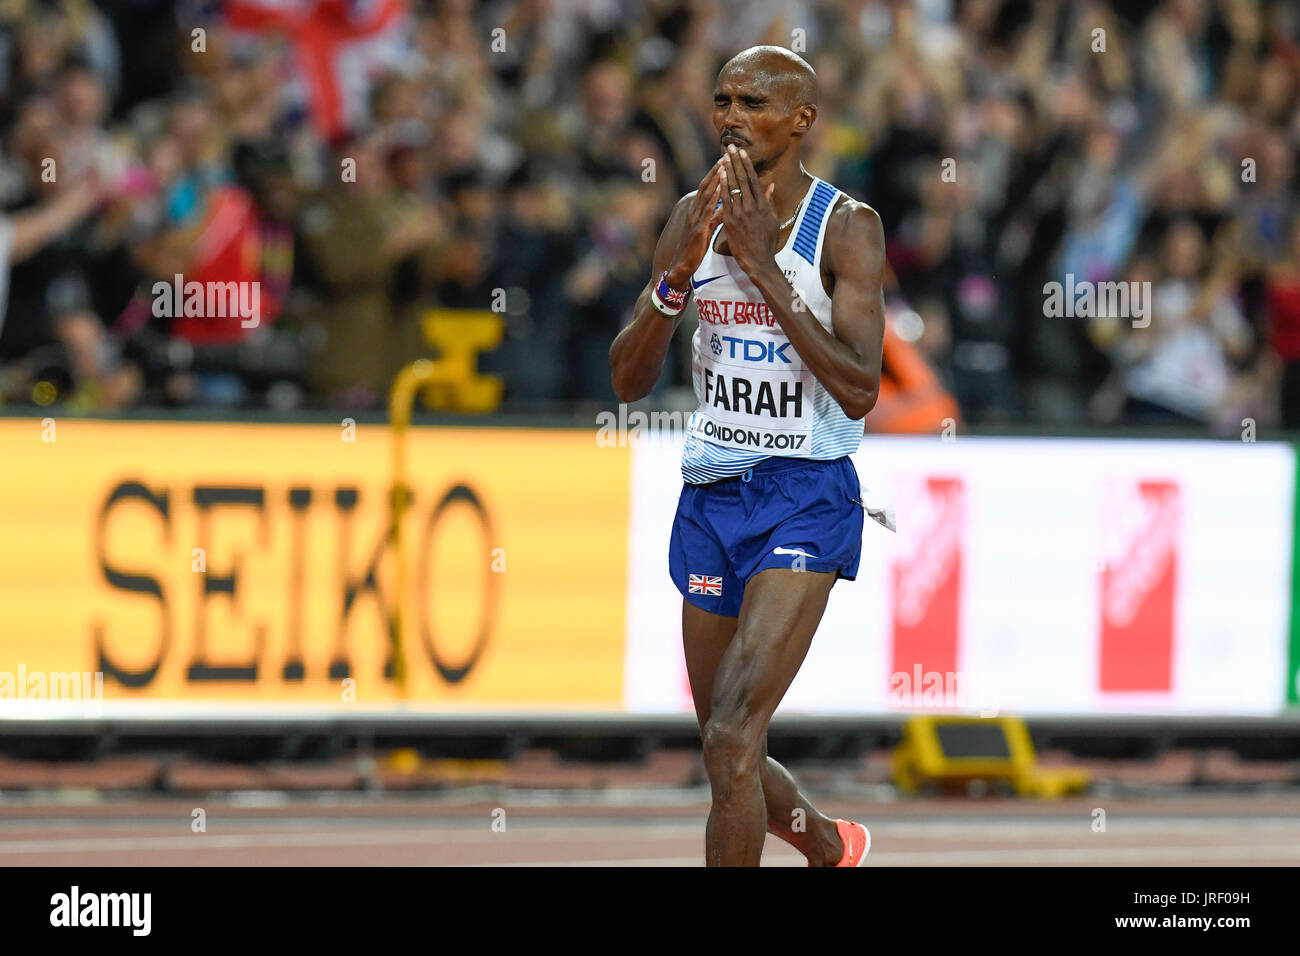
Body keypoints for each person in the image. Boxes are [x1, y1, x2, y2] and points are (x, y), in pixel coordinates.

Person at [609, 46, 891, 867]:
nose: (732, 115)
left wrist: (766, 270)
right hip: (711, 495)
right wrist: (674, 281)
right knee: (724, 746)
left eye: (754, 102)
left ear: (802, 120)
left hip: (806, 494)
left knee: (734, 734)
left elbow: (860, 388)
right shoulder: (691, 215)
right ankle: (832, 847)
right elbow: (628, 379)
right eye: (724, 99)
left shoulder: (846, 227)